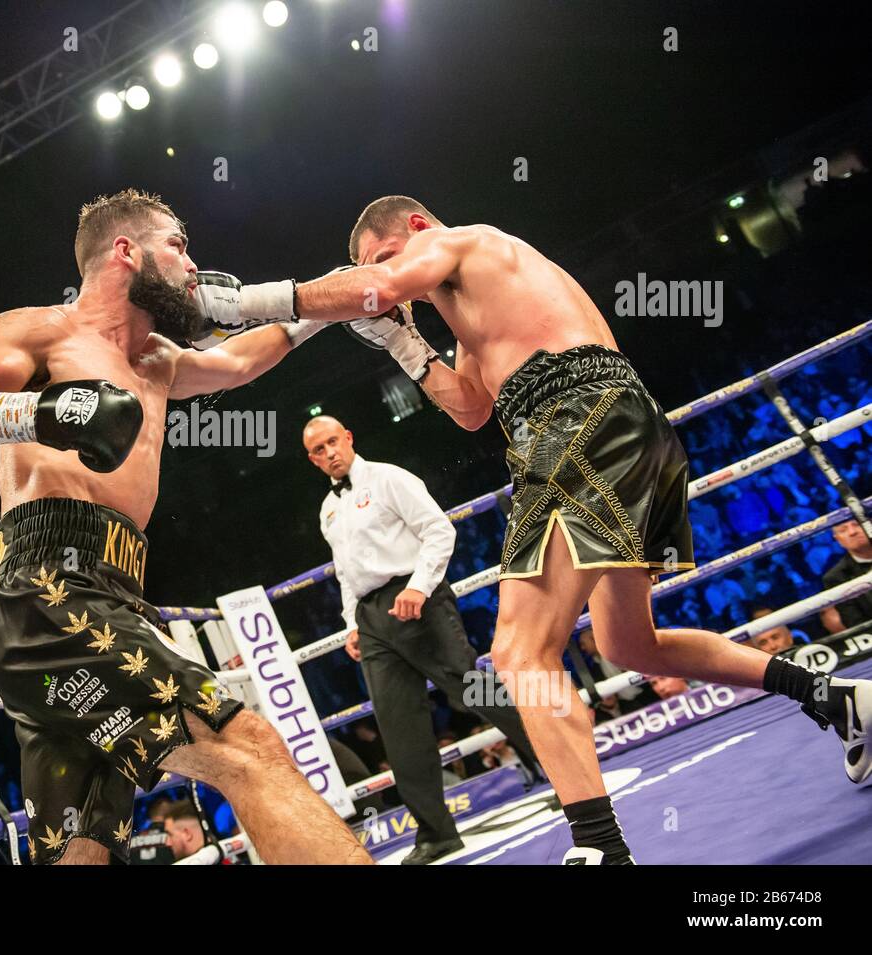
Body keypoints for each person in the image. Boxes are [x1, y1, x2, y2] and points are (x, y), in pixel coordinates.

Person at [188, 194, 872, 862]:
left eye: (386, 256)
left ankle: (601, 848)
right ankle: (837, 696)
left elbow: (381, 285)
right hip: (616, 433)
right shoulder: (467, 323)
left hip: (579, 420)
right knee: (630, 642)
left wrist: (244, 302)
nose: (388, 279)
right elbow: (468, 411)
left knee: (518, 656)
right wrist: (401, 338)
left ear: (418, 227)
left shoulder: (468, 242)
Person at [0, 188, 369, 865]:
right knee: (246, 747)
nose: (191, 264)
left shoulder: (158, 364)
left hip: (108, 594)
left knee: (85, 847)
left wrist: (339, 297)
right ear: (126, 251)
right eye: (179, 245)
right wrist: (44, 414)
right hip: (48, 592)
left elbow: (242, 360)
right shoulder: (43, 332)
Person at [304, 414, 538, 863]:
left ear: (349, 437)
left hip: (418, 599)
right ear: (312, 459)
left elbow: (438, 530)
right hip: (373, 621)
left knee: (477, 691)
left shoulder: (389, 478)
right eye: (319, 449)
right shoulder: (328, 510)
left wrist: (419, 586)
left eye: (334, 441)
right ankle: (435, 834)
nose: (330, 452)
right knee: (399, 727)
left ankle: (557, 762)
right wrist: (352, 624)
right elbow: (347, 574)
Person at [821, 519, 872, 633]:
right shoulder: (836, 578)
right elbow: (855, 623)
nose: (852, 532)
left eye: (856, 525)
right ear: (838, 539)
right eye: (843, 530)